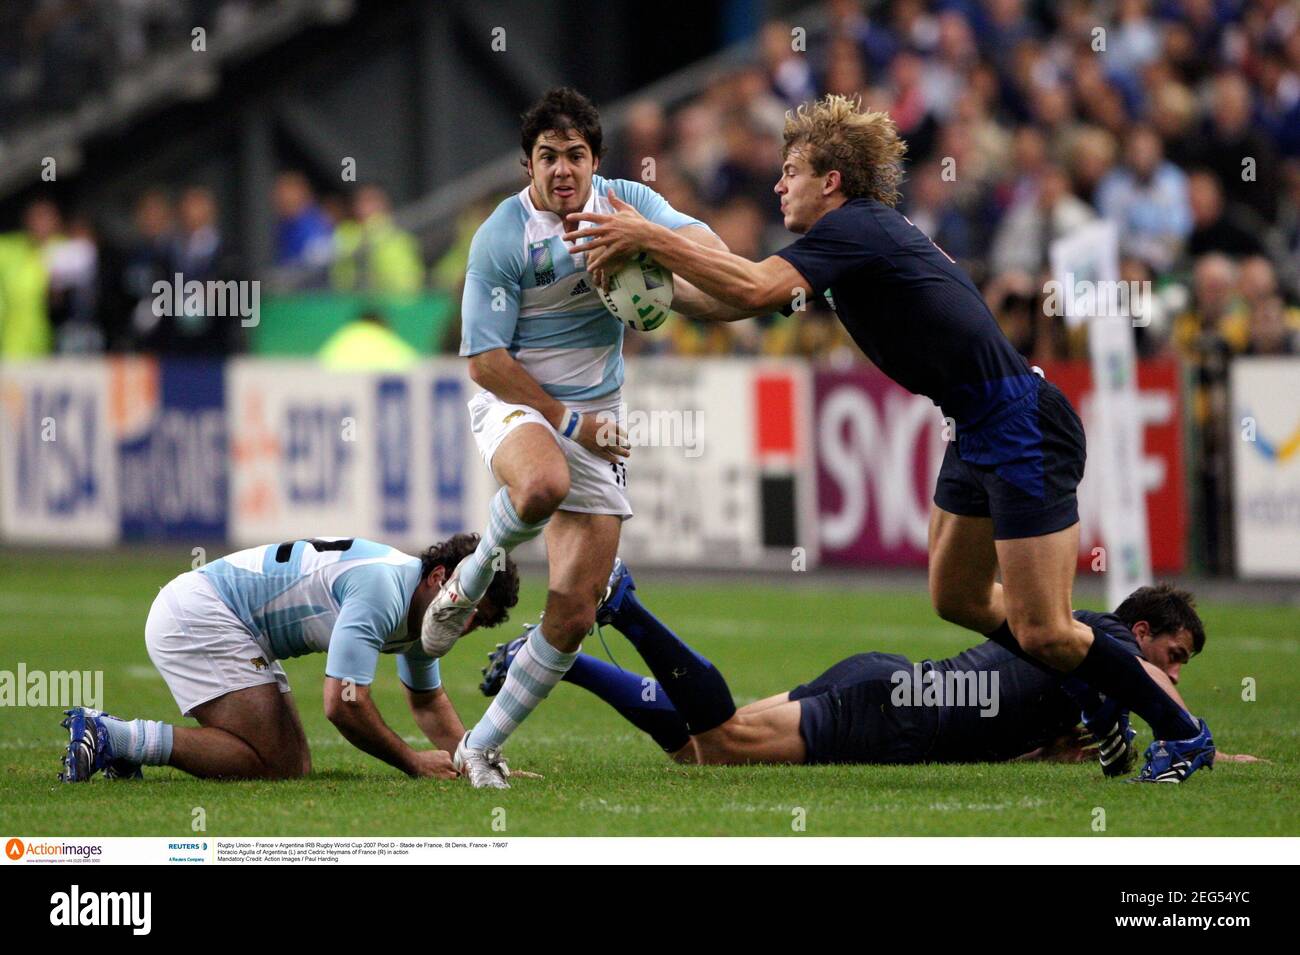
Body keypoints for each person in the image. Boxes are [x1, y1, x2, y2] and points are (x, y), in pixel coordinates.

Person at [564, 93, 1215, 782]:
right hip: (977, 424)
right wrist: (652, 295)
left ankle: (1182, 732)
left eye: (792, 170)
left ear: (832, 182)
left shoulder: (858, 228)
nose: (779, 184)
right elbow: (734, 301)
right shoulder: (845, 243)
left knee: (1045, 628)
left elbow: (753, 288)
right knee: (957, 596)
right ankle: (1087, 686)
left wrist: (650, 238)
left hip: (1021, 421)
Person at [420, 87, 725, 788]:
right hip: (517, 404)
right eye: (548, 157)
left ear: (596, 161)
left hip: (599, 416)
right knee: (543, 483)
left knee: (576, 608)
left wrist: (647, 242)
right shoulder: (503, 233)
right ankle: (473, 577)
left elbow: (710, 249)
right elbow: (484, 362)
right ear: (528, 164)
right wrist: (570, 422)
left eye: (576, 156)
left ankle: (479, 748)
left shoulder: (624, 204)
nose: (563, 170)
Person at [482, 564, 1250, 777]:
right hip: (902, 710)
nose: (1172, 676)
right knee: (714, 746)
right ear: (1142, 632)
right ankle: (625, 605)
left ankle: (568, 661)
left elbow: (1036, 719)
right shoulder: (1102, 638)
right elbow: (1137, 688)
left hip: (896, 692)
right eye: (1173, 660)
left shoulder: (1084, 667)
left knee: (698, 742)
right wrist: (1201, 742)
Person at [59, 535, 518, 783]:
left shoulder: (427, 609)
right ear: (439, 577)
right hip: (200, 613)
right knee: (277, 762)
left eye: (479, 620)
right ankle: (113, 737)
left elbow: (426, 701)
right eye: (467, 608)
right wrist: (413, 763)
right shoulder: (383, 588)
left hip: (226, 619)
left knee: (289, 763)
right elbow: (343, 703)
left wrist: (475, 758)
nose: (464, 624)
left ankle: (122, 744)